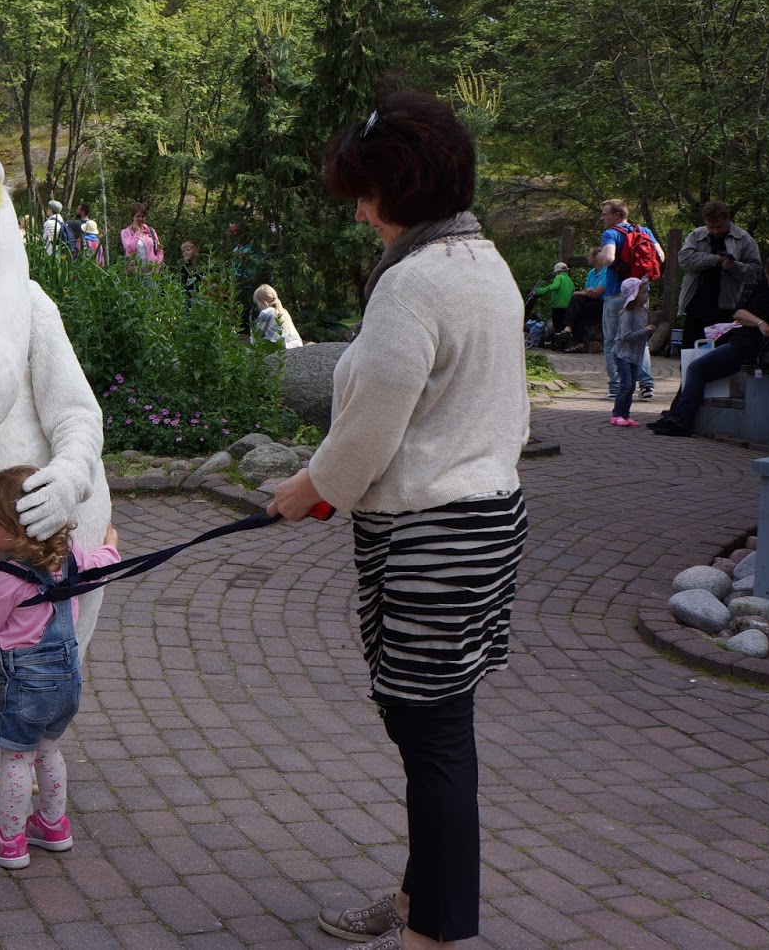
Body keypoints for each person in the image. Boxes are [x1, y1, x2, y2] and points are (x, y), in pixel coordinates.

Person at [269, 91, 529, 950]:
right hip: (487, 523)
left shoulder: (413, 284)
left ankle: (437, 930)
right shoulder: (486, 264)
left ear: (396, 188)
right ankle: (422, 900)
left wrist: (305, 487)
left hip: (430, 535)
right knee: (434, 721)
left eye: (362, 194)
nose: (358, 212)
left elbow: (368, 435)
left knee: (432, 733)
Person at [0, 465, 121, 870]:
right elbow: (99, 564)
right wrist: (112, 547)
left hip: (28, 682)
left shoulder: (8, 578)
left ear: (12, 531)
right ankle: (52, 825)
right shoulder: (67, 559)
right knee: (48, 751)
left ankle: (9, 841)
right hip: (67, 676)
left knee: (16, 761)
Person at [652, 254, 769, 437]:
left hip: (766, 348)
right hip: (747, 341)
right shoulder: (758, 287)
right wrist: (760, 323)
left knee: (696, 369)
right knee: (696, 366)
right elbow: (738, 313)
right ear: (767, 275)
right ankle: (674, 416)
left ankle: (681, 421)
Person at [591, 200, 657, 400]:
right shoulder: (644, 231)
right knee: (640, 340)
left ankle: (617, 387)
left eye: (605, 214)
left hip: (616, 293)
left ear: (617, 215)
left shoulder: (610, 233)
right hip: (640, 294)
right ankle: (646, 386)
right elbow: (660, 256)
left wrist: (601, 260)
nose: (602, 217)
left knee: (612, 341)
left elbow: (609, 258)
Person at [676, 200, 761, 347]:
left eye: (719, 227)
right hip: (696, 307)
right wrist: (714, 259)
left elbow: (755, 272)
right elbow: (683, 260)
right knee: (690, 353)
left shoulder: (744, 239)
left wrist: (734, 267)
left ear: (728, 219)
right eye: (711, 227)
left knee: (719, 356)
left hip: (726, 308)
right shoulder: (696, 235)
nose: (715, 231)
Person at [609, 278, 654, 427]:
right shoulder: (628, 314)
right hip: (623, 354)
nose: (647, 294)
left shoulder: (645, 313)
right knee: (626, 384)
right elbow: (625, 336)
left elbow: (642, 335)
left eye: (647, 291)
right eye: (643, 292)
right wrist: (644, 331)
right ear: (634, 295)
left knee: (632, 386)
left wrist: (647, 332)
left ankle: (626, 414)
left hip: (635, 355)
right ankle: (616, 414)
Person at [561, 255, 609, 350]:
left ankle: (571, 332)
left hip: (602, 302)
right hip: (590, 300)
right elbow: (587, 289)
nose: (587, 258)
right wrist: (587, 292)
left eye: (589, 256)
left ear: (596, 258)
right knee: (578, 305)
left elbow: (596, 293)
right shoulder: (591, 272)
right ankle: (572, 335)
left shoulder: (606, 272)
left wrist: (576, 292)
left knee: (577, 300)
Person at [252, 283, 303, 348]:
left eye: (257, 303)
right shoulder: (284, 311)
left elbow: (257, 335)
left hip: (283, 345)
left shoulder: (266, 313)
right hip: (298, 342)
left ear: (263, 301)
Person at [533, 262, 573, 337]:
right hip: (567, 305)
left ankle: (558, 339)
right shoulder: (570, 281)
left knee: (557, 324)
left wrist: (540, 290)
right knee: (563, 324)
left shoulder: (559, 277)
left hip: (558, 305)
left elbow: (555, 286)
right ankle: (564, 340)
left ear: (557, 272)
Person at [120, 203, 164, 268]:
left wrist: (158, 264)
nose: (140, 219)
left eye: (142, 216)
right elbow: (130, 248)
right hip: (134, 272)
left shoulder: (150, 231)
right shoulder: (125, 232)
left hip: (151, 271)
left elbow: (159, 250)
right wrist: (137, 232)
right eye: (138, 216)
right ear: (133, 217)